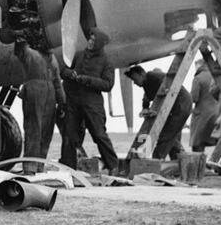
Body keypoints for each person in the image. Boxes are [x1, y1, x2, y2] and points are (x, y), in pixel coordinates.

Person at [59, 28, 119, 172]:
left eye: (93, 40)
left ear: (100, 44)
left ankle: (114, 167)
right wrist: (69, 73)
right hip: (73, 102)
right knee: (69, 136)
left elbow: (108, 85)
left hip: (93, 104)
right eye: (90, 39)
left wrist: (87, 80)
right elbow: (63, 71)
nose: (90, 42)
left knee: (99, 135)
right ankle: (68, 169)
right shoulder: (78, 55)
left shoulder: (107, 62)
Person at [125, 64, 194, 159]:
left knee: (166, 136)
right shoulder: (147, 82)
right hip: (179, 106)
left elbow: (166, 91)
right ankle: (179, 160)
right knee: (170, 136)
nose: (134, 83)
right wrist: (145, 108)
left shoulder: (153, 77)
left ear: (141, 74)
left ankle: (156, 161)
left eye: (134, 79)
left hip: (181, 105)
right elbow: (147, 97)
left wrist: (156, 110)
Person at [20, 47, 64, 161]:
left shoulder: (52, 58)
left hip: (50, 95)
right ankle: (30, 167)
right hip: (34, 93)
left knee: (46, 132)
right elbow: (20, 50)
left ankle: (40, 165)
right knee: (33, 131)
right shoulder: (29, 53)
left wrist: (62, 102)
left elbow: (57, 81)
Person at [188, 58, 221, 152]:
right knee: (215, 140)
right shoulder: (216, 77)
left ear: (199, 65)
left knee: (197, 143)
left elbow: (194, 98)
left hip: (201, 115)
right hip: (216, 113)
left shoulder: (198, 78)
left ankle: (199, 165)